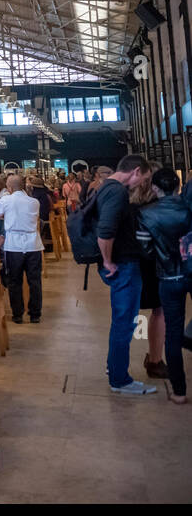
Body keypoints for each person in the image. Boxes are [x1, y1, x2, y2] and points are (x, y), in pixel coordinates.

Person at [95, 155, 156, 395]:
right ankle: (120, 379)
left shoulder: (105, 188)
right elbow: (105, 231)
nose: (143, 183)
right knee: (124, 322)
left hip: (123, 263)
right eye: (144, 178)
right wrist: (108, 261)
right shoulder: (117, 191)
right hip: (124, 265)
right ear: (136, 171)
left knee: (122, 321)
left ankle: (115, 369)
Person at [137, 168, 187, 393]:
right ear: (178, 186)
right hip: (190, 270)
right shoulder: (188, 207)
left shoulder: (146, 213)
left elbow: (145, 247)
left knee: (173, 332)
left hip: (167, 274)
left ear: (154, 187)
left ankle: (179, 391)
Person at [127, 173, 168, 380]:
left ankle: (116, 364)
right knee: (159, 312)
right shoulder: (159, 210)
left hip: (130, 265)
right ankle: (155, 360)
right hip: (155, 265)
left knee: (125, 314)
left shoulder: (127, 208)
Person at [0, 176, 44, 323]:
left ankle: (17, 314)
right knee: (35, 281)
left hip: (13, 245)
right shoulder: (34, 202)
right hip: (33, 244)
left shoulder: (5, 201)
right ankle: (35, 314)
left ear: (10, 188)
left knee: (14, 280)